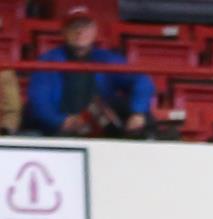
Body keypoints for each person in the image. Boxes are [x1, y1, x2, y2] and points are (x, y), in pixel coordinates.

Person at [23, 7, 154, 138]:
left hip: (98, 127)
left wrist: (138, 112)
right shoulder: (47, 61)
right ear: (64, 32)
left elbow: (142, 81)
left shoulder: (106, 59)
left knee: (143, 117)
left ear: (94, 31)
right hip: (59, 130)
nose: (80, 31)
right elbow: (39, 101)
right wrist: (62, 121)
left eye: (85, 26)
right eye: (74, 26)